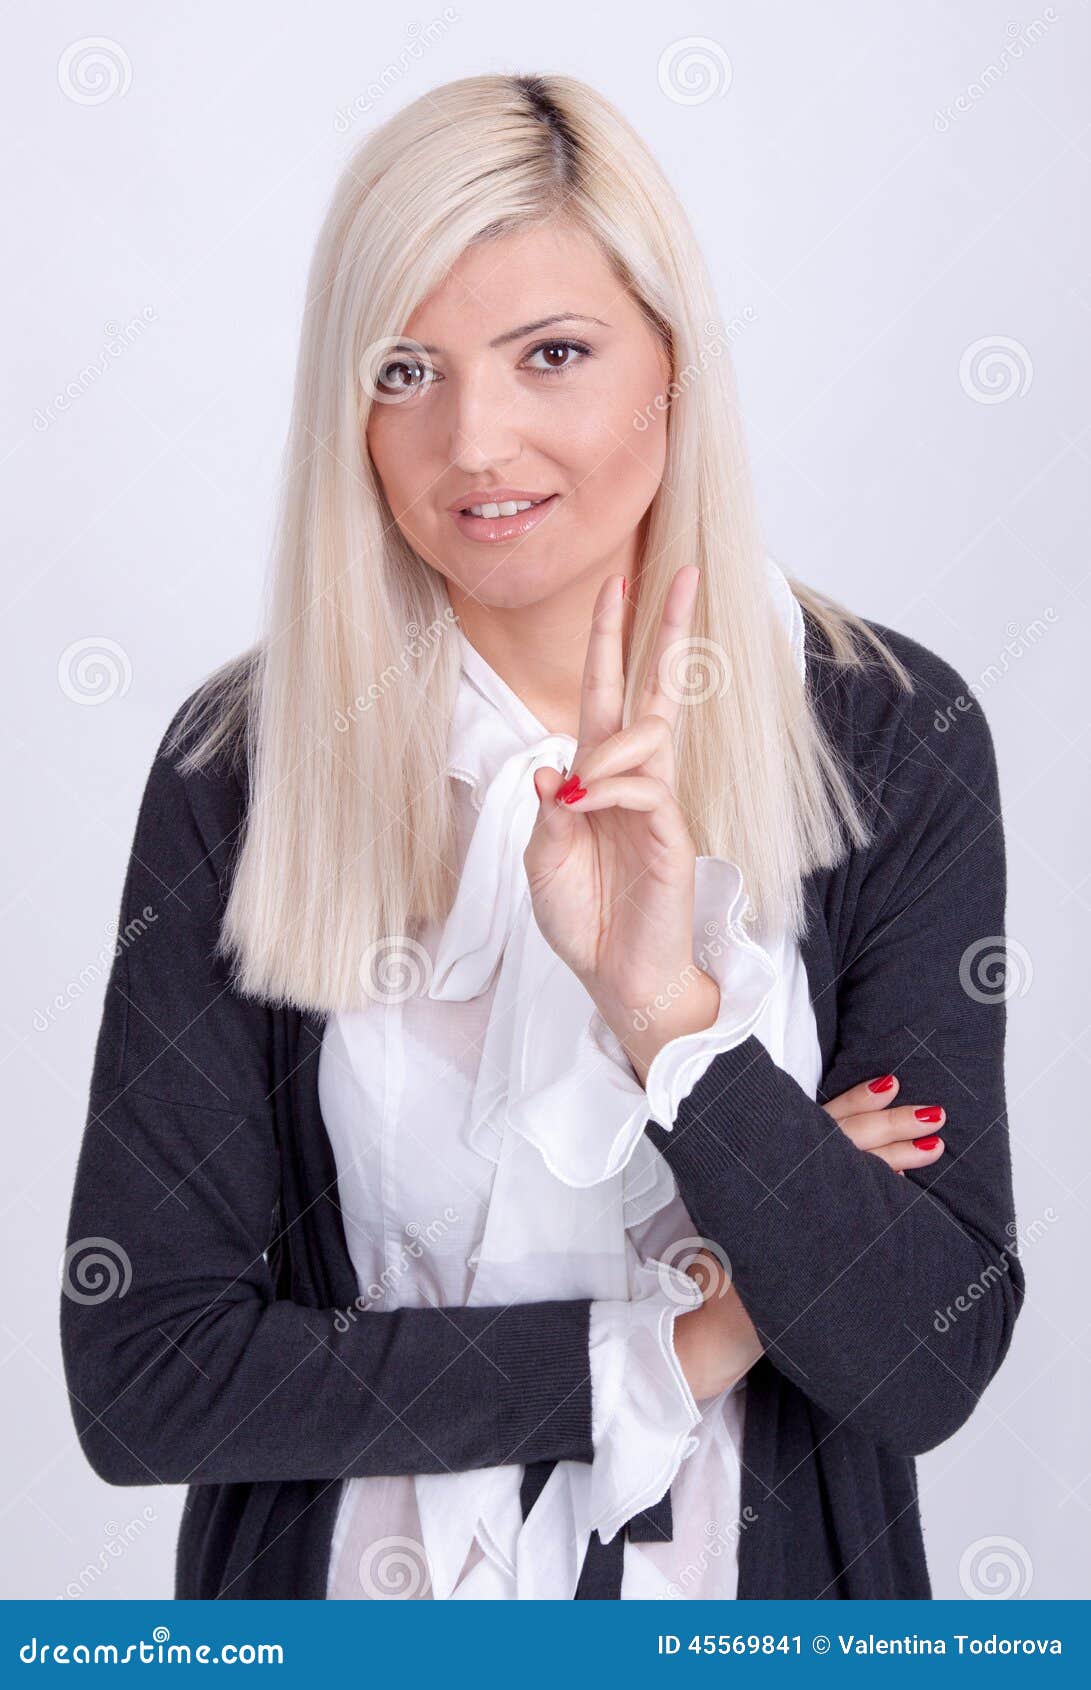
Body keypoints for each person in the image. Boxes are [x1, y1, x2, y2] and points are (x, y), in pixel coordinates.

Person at [60, 72, 1022, 1601]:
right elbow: (145, 1374)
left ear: (670, 367)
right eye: (405, 371)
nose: (475, 442)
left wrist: (675, 1031)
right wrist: (691, 1331)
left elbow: (927, 1349)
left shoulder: (890, 735)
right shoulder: (241, 765)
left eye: (552, 355)